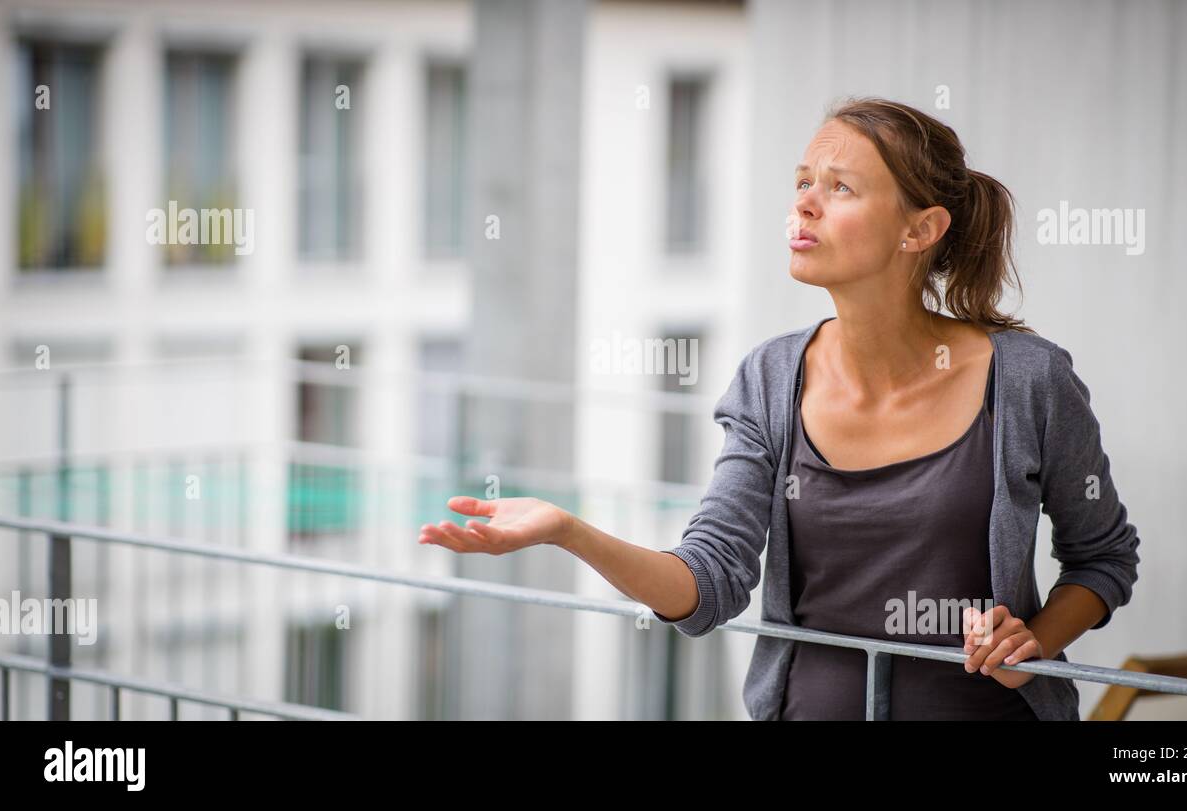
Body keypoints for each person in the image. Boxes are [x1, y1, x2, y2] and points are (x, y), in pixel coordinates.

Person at [418, 97, 1141, 721]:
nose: (803, 203)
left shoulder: (1028, 380)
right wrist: (568, 530)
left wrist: (1035, 641)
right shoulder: (771, 378)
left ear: (919, 230)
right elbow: (709, 583)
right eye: (802, 182)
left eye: (840, 187)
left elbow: (1103, 556)